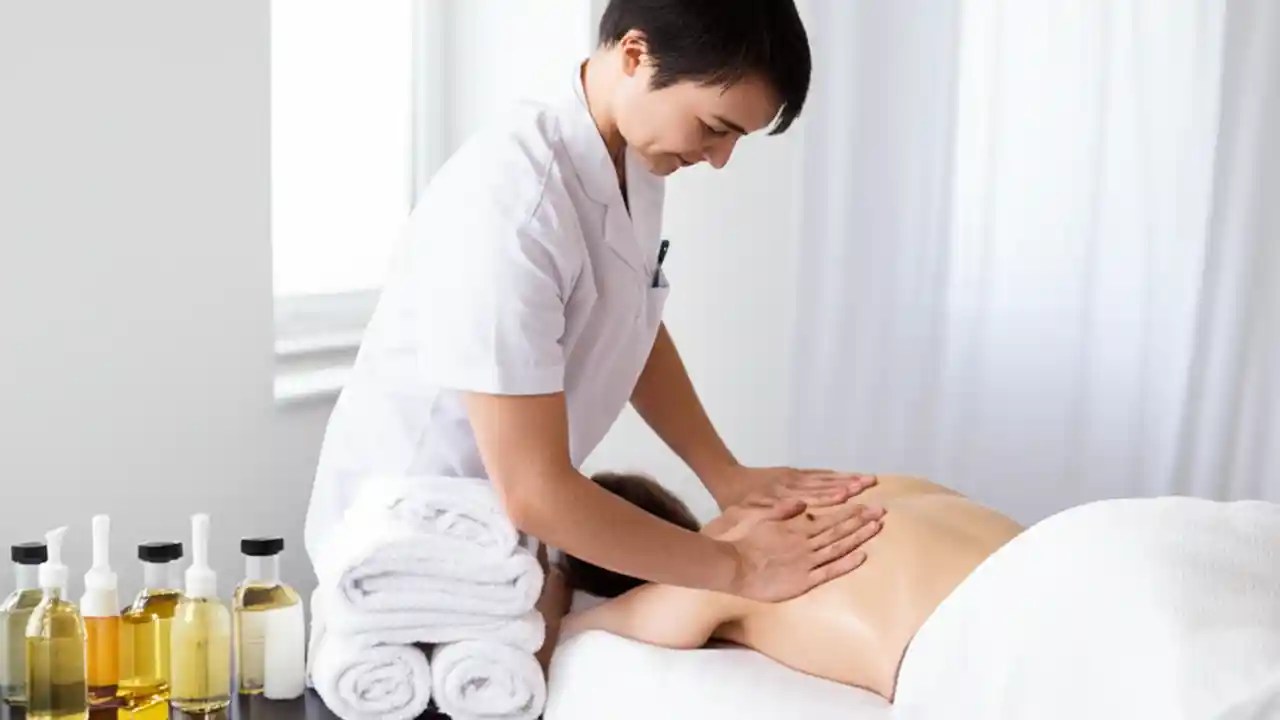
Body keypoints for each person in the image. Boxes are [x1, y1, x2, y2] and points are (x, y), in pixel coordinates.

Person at [304, 0, 881, 608]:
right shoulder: (514, 206)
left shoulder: (635, 158)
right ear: (636, 55)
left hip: (495, 536)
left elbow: (630, 321)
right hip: (405, 547)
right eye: (714, 128)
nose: (719, 159)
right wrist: (740, 567)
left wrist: (726, 475)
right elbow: (532, 489)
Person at [546, 473, 1280, 716]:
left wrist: (554, 570)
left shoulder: (713, 569)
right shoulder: (825, 487)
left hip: (1021, 624)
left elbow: (575, 633)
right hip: (1114, 537)